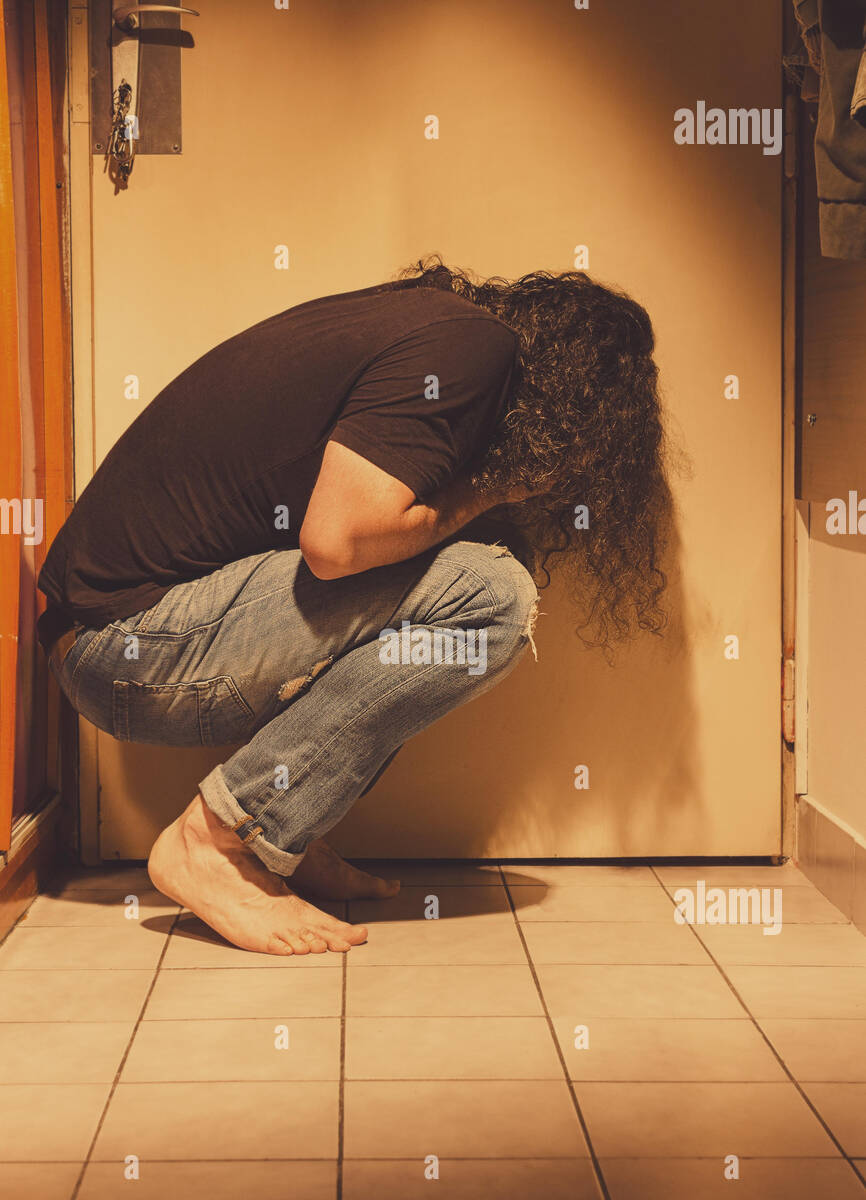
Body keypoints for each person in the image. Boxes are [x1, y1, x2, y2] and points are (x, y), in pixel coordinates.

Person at [37, 255, 671, 957]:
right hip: (122, 646)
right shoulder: (471, 350)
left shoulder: (430, 330)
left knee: (451, 586)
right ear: (569, 402)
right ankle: (216, 843)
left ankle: (286, 833)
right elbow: (334, 546)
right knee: (492, 594)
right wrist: (491, 491)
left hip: (118, 643)